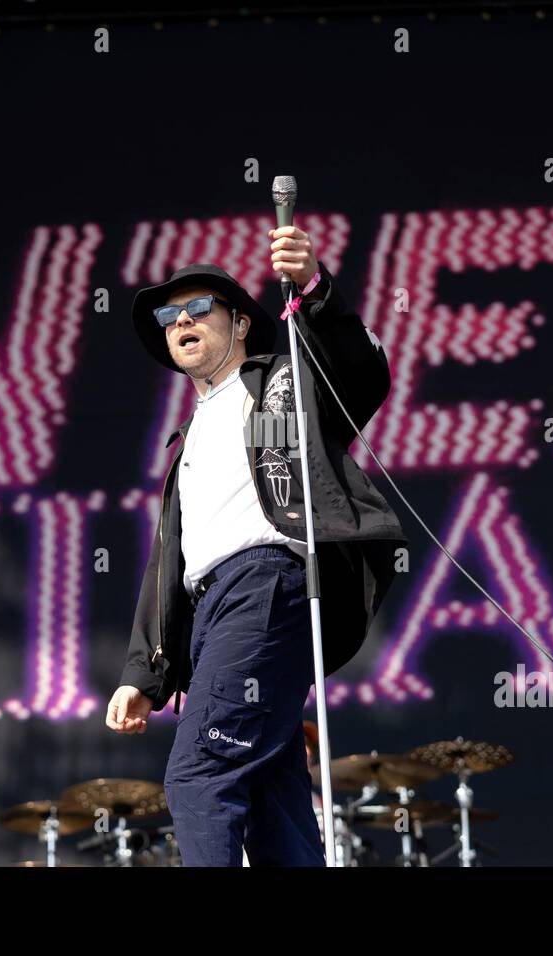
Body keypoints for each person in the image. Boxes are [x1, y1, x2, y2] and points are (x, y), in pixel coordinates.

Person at [105, 225, 407, 866]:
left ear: (240, 323)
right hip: (213, 613)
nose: (179, 321)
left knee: (199, 772)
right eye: (167, 315)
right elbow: (168, 566)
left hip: (268, 583)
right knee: (273, 797)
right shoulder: (185, 445)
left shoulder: (275, 386)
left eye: (196, 309)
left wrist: (315, 288)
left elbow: (360, 371)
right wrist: (143, 673)